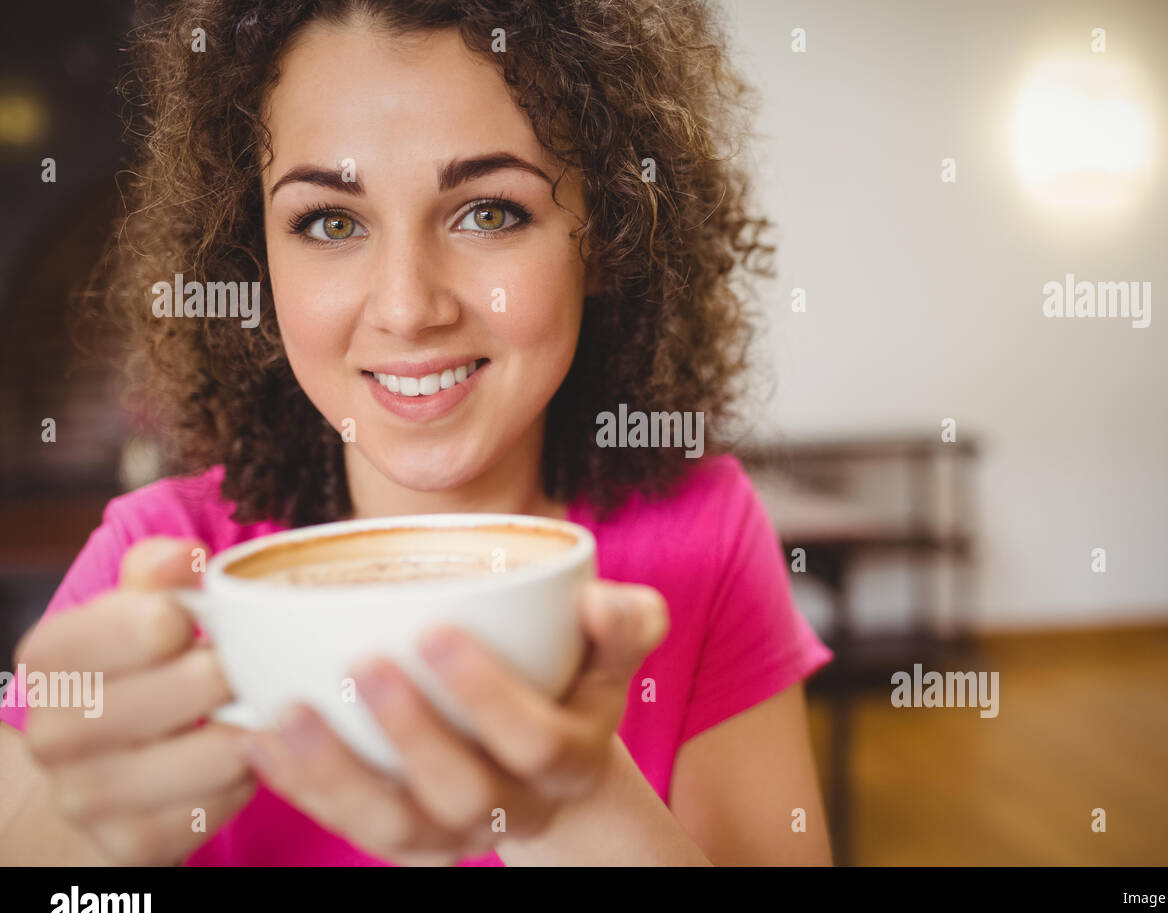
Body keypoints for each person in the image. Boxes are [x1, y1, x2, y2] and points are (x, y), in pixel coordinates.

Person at [0, 0, 833, 866]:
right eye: (331, 221)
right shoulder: (161, 566)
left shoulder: (707, 538)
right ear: (257, 261)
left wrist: (575, 810)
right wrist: (77, 851)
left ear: (611, 237)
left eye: (489, 213)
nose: (407, 308)